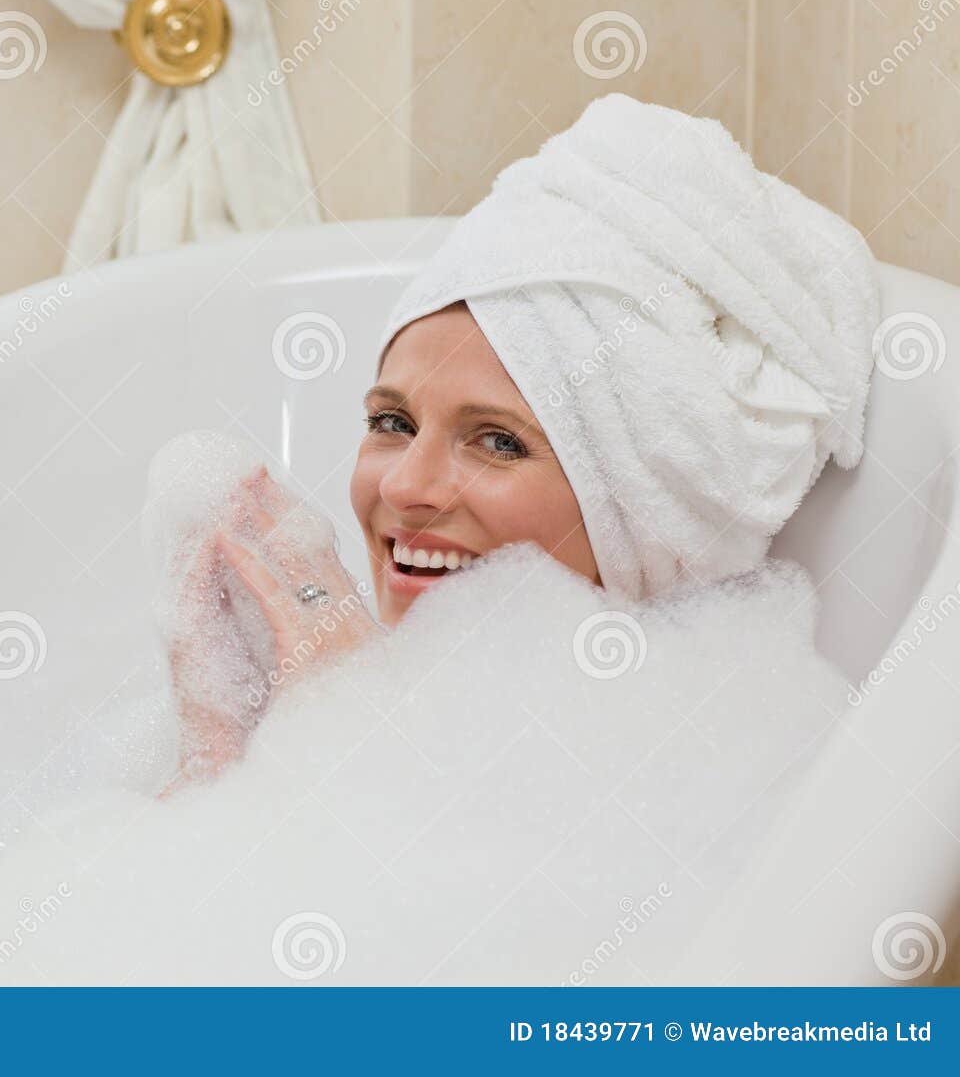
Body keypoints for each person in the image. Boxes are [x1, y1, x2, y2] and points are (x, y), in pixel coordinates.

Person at [165, 93, 881, 787]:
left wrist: (340, 718)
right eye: (394, 423)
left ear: (639, 510)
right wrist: (220, 739)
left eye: (499, 443)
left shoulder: (670, 774)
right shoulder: (409, 729)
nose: (403, 487)